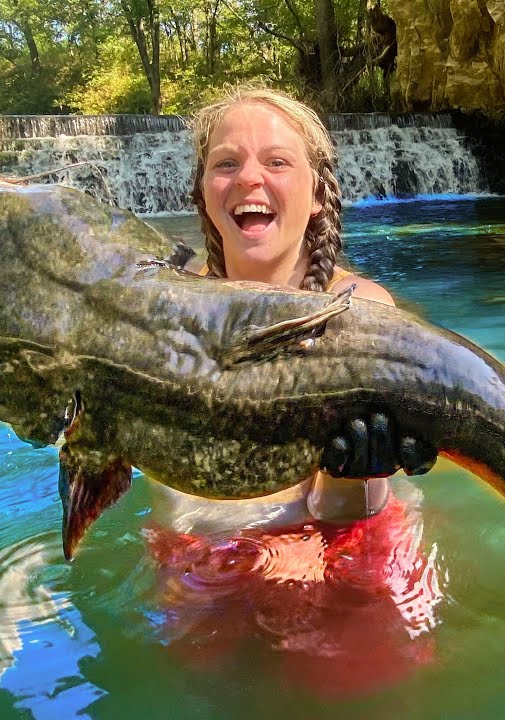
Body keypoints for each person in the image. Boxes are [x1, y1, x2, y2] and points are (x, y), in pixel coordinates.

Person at [140, 86, 442, 698]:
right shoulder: (161, 306)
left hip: (346, 538)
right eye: (226, 163)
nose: (248, 177)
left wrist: (354, 475)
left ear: (317, 192)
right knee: (208, 682)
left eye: (276, 161)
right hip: (201, 544)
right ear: (203, 191)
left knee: (351, 683)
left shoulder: (362, 311)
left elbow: (346, 510)